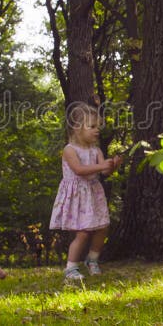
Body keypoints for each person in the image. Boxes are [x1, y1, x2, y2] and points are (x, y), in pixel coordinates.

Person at [50, 103, 123, 281]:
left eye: (98, 126)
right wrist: (101, 165)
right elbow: (79, 170)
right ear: (77, 128)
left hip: (93, 194)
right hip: (78, 196)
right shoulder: (69, 150)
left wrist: (113, 166)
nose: (97, 130)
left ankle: (92, 260)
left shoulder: (96, 150)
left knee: (102, 227)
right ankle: (71, 268)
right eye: (92, 126)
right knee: (82, 233)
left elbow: (104, 172)